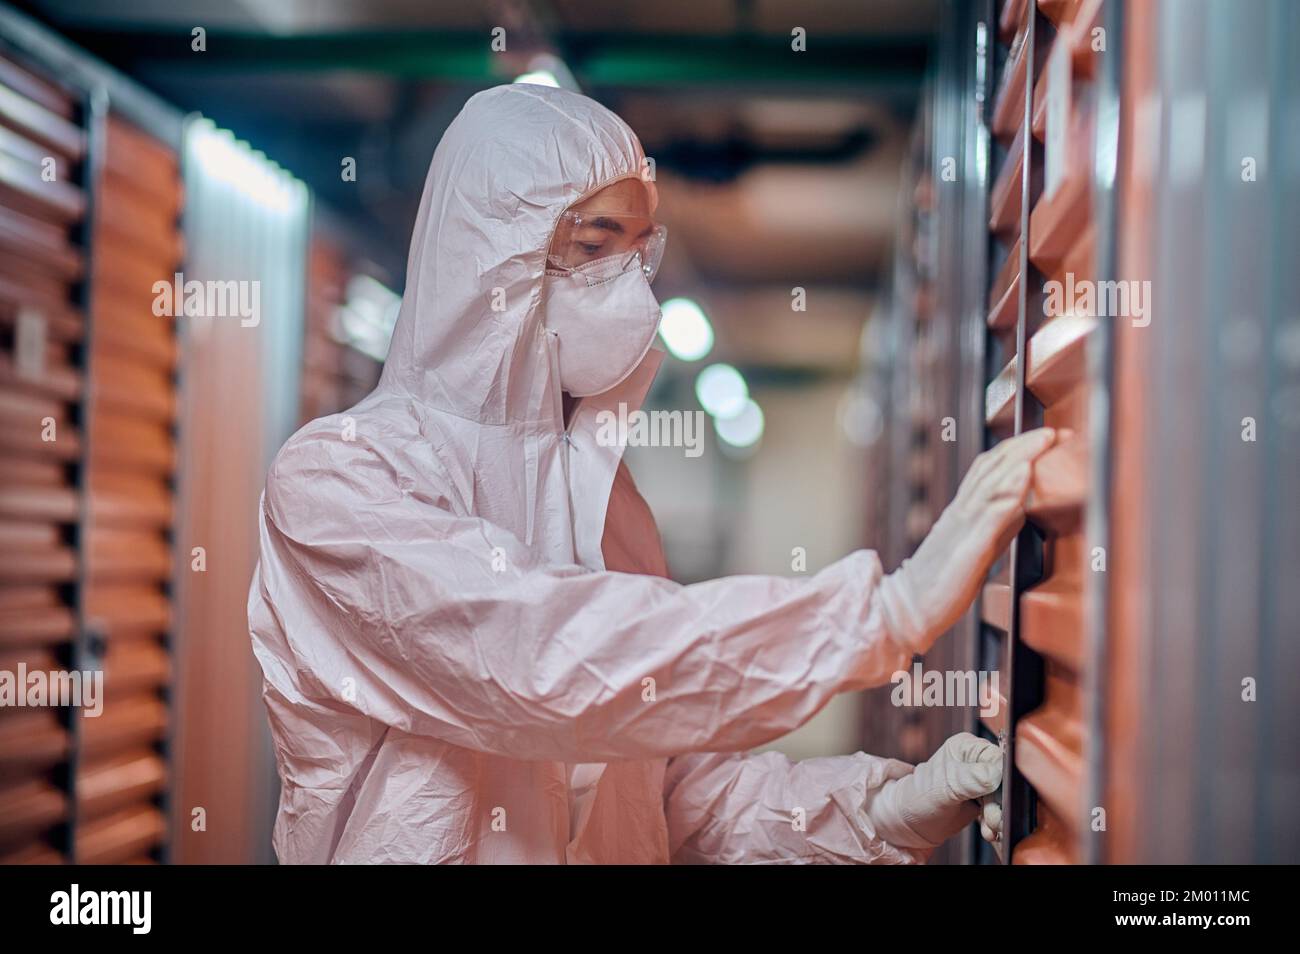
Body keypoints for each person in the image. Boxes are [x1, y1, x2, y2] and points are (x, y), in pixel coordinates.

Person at [248, 84, 1055, 864]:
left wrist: (877, 813)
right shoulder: (340, 479)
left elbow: (662, 794)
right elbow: (535, 663)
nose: (633, 292)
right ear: (488, 261)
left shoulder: (608, 502)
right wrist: (882, 616)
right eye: (594, 249)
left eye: (639, 255)